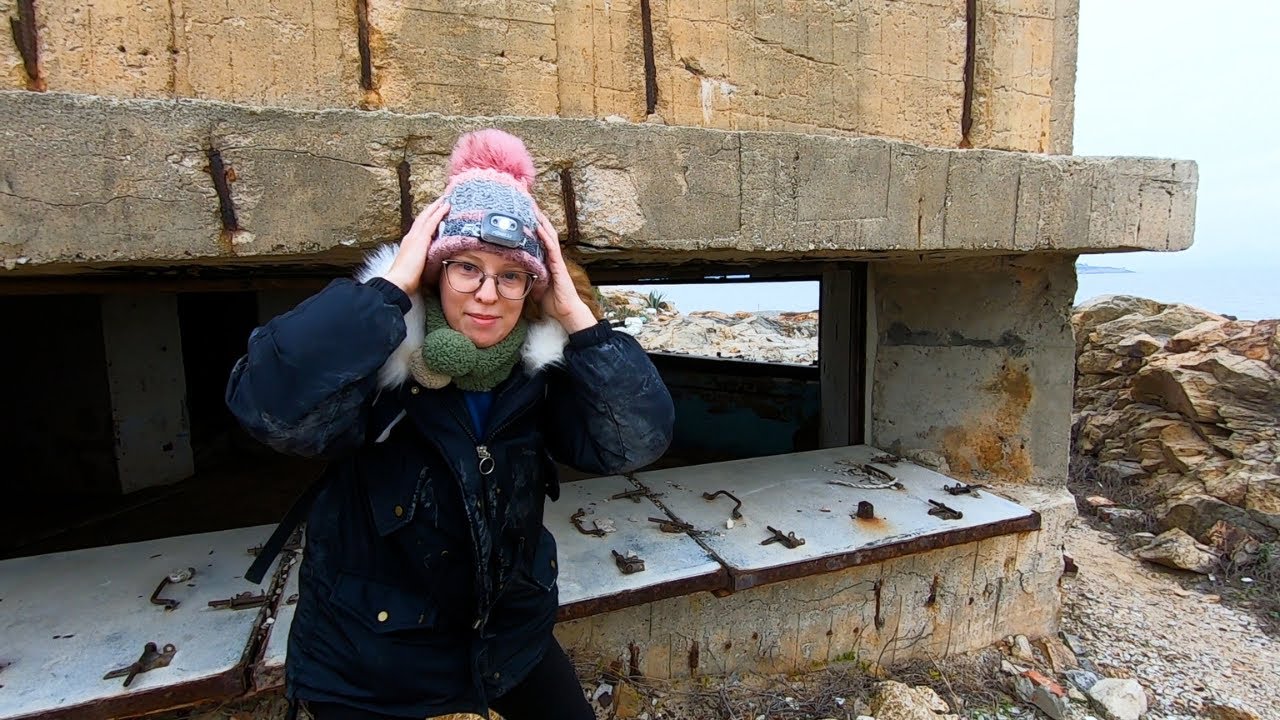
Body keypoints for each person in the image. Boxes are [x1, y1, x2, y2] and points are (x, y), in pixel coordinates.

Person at [225, 129, 675, 720]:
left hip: (506, 637)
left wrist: (577, 316)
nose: (488, 294)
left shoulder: (537, 373)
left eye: (510, 275)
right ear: (435, 272)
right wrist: (388, 289)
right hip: (373, 659)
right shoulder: (379, 365)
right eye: (467, 267)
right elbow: (268, 406)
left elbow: (634, 442)